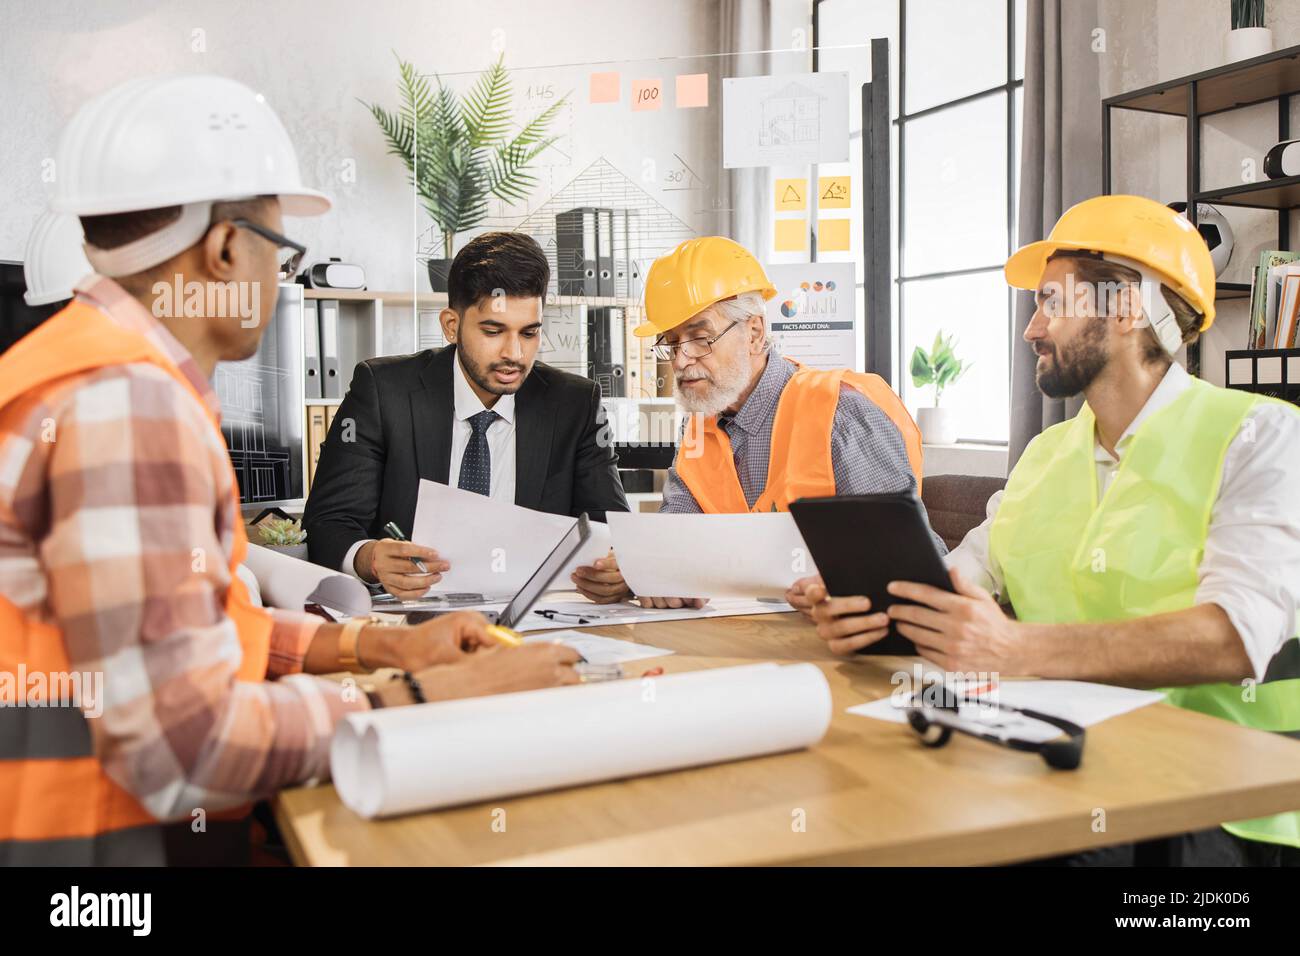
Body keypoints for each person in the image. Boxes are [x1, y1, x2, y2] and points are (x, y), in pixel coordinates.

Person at [0, 74, 578, 866]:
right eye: (283, 253)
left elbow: (194, 628)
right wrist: (419, 699)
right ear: (228, 247)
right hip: (104, 863)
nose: (279, 282)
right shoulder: (124, 407)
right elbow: (185, 750)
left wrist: (382, 649)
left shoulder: (99, 376)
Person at [799, 194, 1300, 865]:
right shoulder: (1046, 455)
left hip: (1223, 804)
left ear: (1127, 309)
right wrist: (869, 605)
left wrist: (1014, 649)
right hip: (1060, 761)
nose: (1034, 329)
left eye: (1053, 304)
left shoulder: (1262, 436)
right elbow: (956, 582)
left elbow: (1233, 637)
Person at [570, 235, 937, 608]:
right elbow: (676, 541)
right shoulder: (700, 424)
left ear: (755, 332)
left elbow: (910, 567)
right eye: (671, 343)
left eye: (700, 338)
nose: (680, 360)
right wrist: (637, 571)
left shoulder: (840, 413)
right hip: (740, 642)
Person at [302, 231, 629, 598]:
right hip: (414, 622)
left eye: (529, 333)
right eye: (493, 331)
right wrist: (370, 557)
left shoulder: (575, 404)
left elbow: (612, 530)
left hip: (533, 621)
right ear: (451, 326)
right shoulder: (383, 391)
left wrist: (619, 569)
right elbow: (329, 524)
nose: (515, 354)